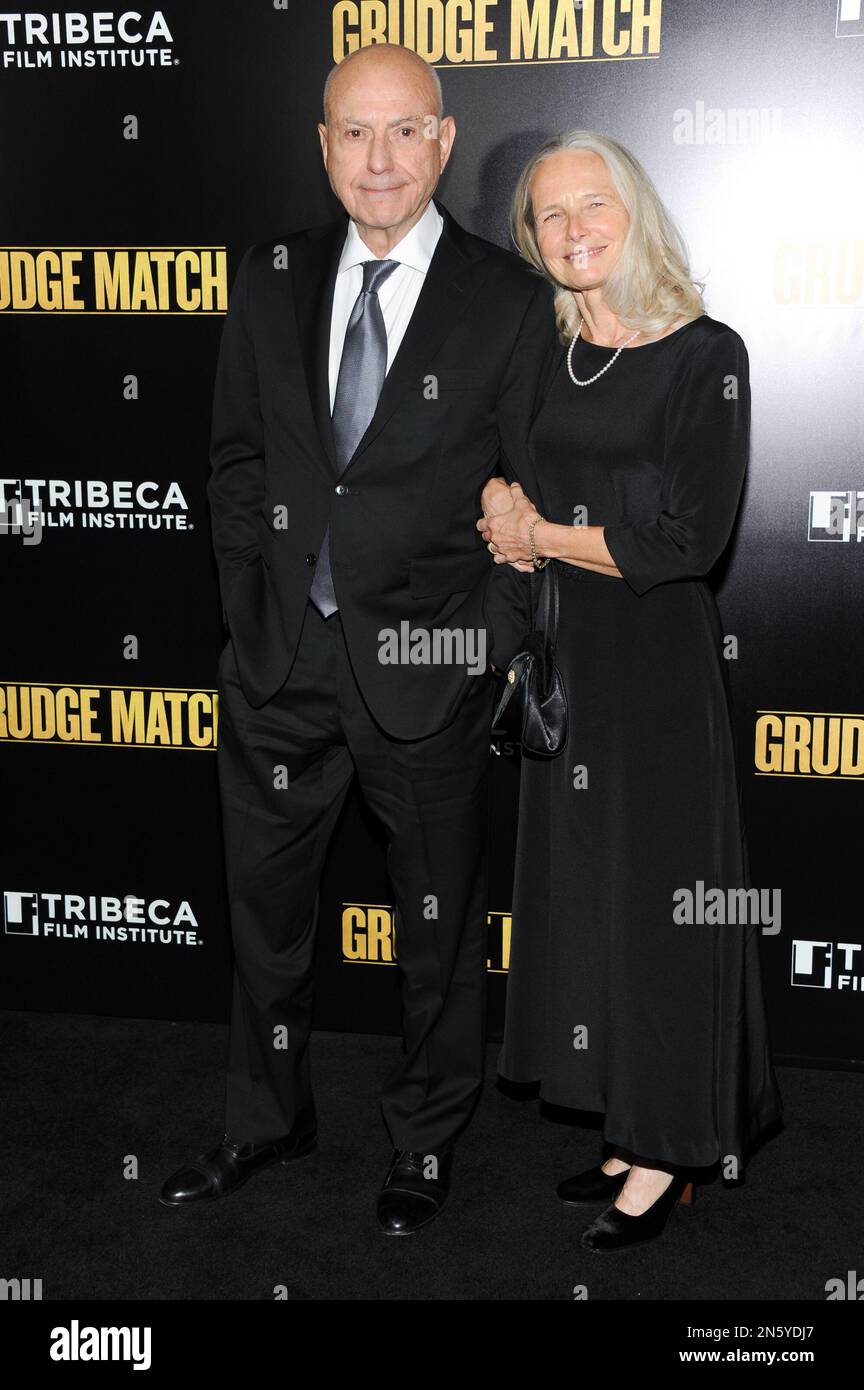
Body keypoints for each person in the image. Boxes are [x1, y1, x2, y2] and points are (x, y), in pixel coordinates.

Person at [160, 43, 553, 1236]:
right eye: (352, 133)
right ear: (322, 145)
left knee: (437, 923)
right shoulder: (270, 277)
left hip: (430, 667)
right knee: (263, 911)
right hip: (282, 660)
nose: (377, 160)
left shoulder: (507, 296)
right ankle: (266, 1114)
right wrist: (250, 606)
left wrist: (485, 643)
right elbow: (235, 461)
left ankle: (425, 1138)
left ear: (442, 140)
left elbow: (535, 497)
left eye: (402, 132)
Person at [478, 131, 783, 1253]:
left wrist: (542, 531)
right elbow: (504, 472)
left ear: (635, 210)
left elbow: (689, 538)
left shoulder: (709, 354)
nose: (572, 231)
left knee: (658, 908)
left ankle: (667, 1151)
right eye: (549, 217)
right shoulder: (548, 353)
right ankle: (622, 1118)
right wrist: (506, 514)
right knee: (591, 901)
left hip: (658, 676)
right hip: (572, 668)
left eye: (592, 204)